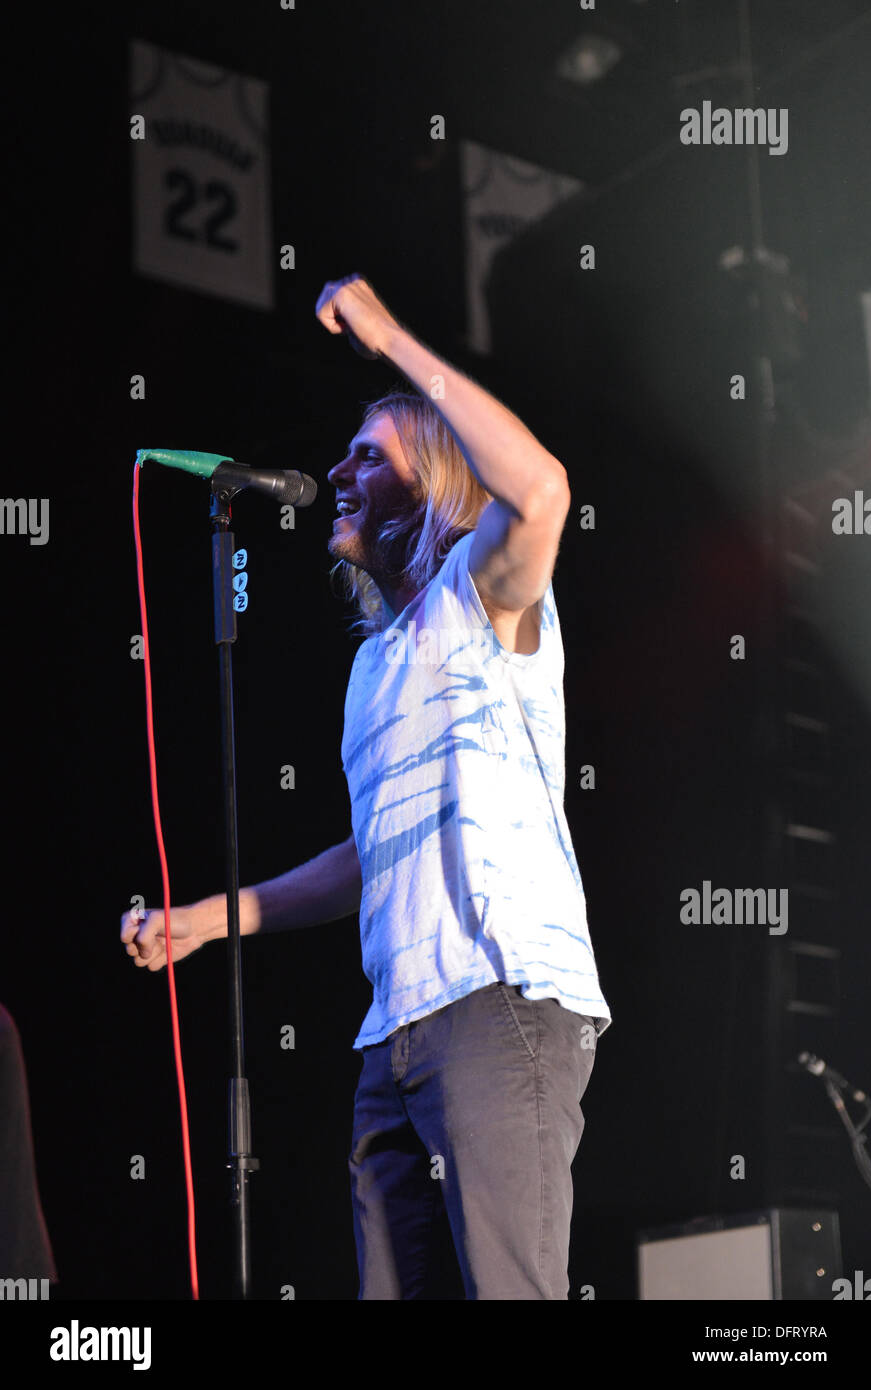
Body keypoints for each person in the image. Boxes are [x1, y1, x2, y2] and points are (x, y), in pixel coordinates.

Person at [121, 275, 611, 1299]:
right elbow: (369, 855)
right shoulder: (371, 668)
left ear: (430, 481)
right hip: (395, 1033)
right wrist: (211, 919)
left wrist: (389, 337)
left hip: (499, 1003)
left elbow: (543, 489)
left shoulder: (482, 597)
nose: (338, 467)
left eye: (370, 453)